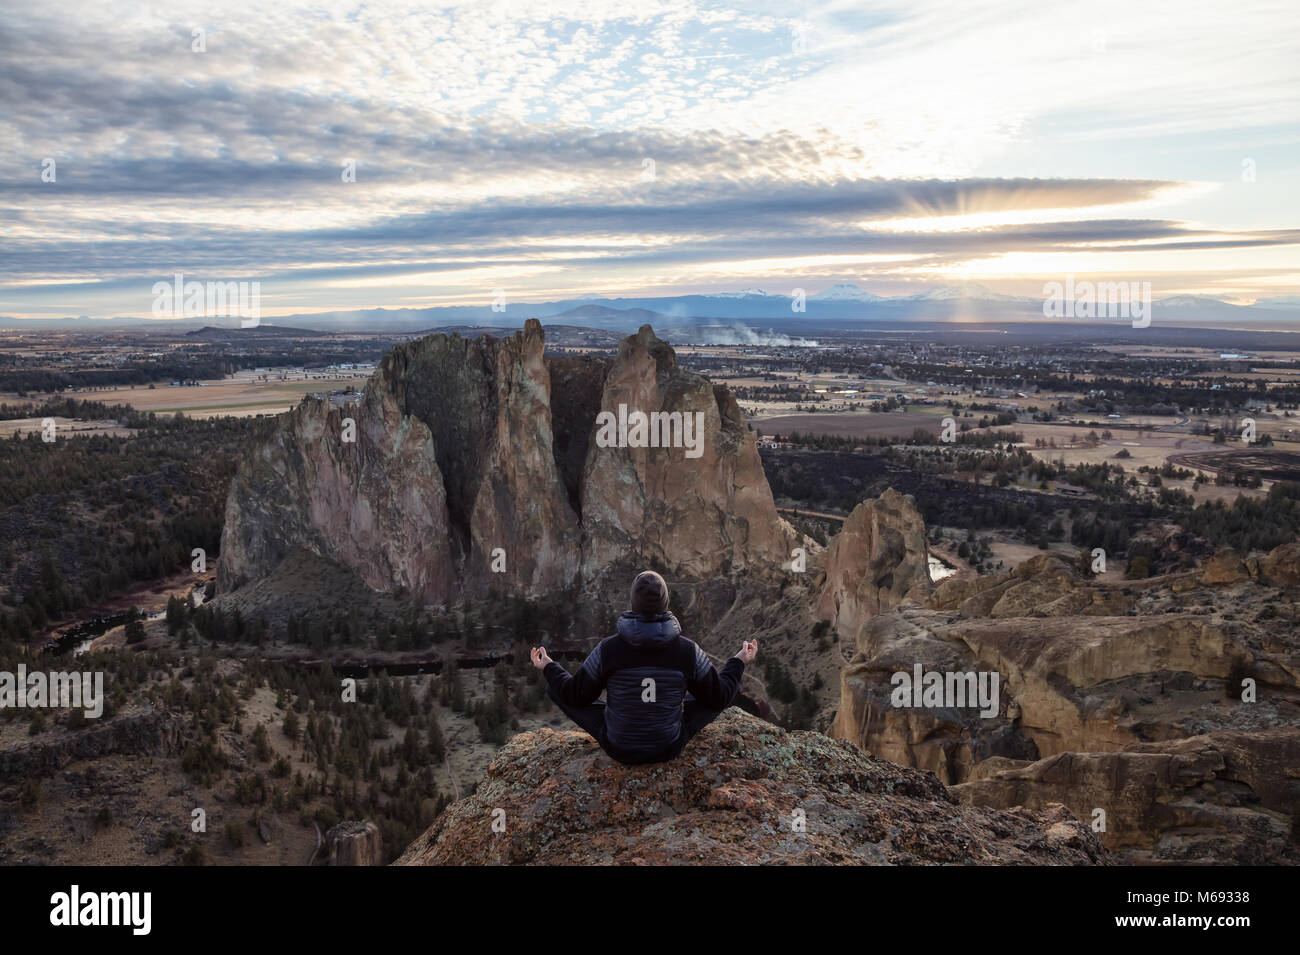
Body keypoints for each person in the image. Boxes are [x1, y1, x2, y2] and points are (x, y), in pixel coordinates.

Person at [531, 570, 758, 765]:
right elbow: (719, 697)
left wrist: (549, 666)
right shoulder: (687, 650)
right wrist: (738, 661)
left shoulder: (608, 649)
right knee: (720, 695)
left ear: (633, 603)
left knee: (556, 688)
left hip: (619, 748)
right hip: (667, 747)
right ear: (666, 603)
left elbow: (576, 695)